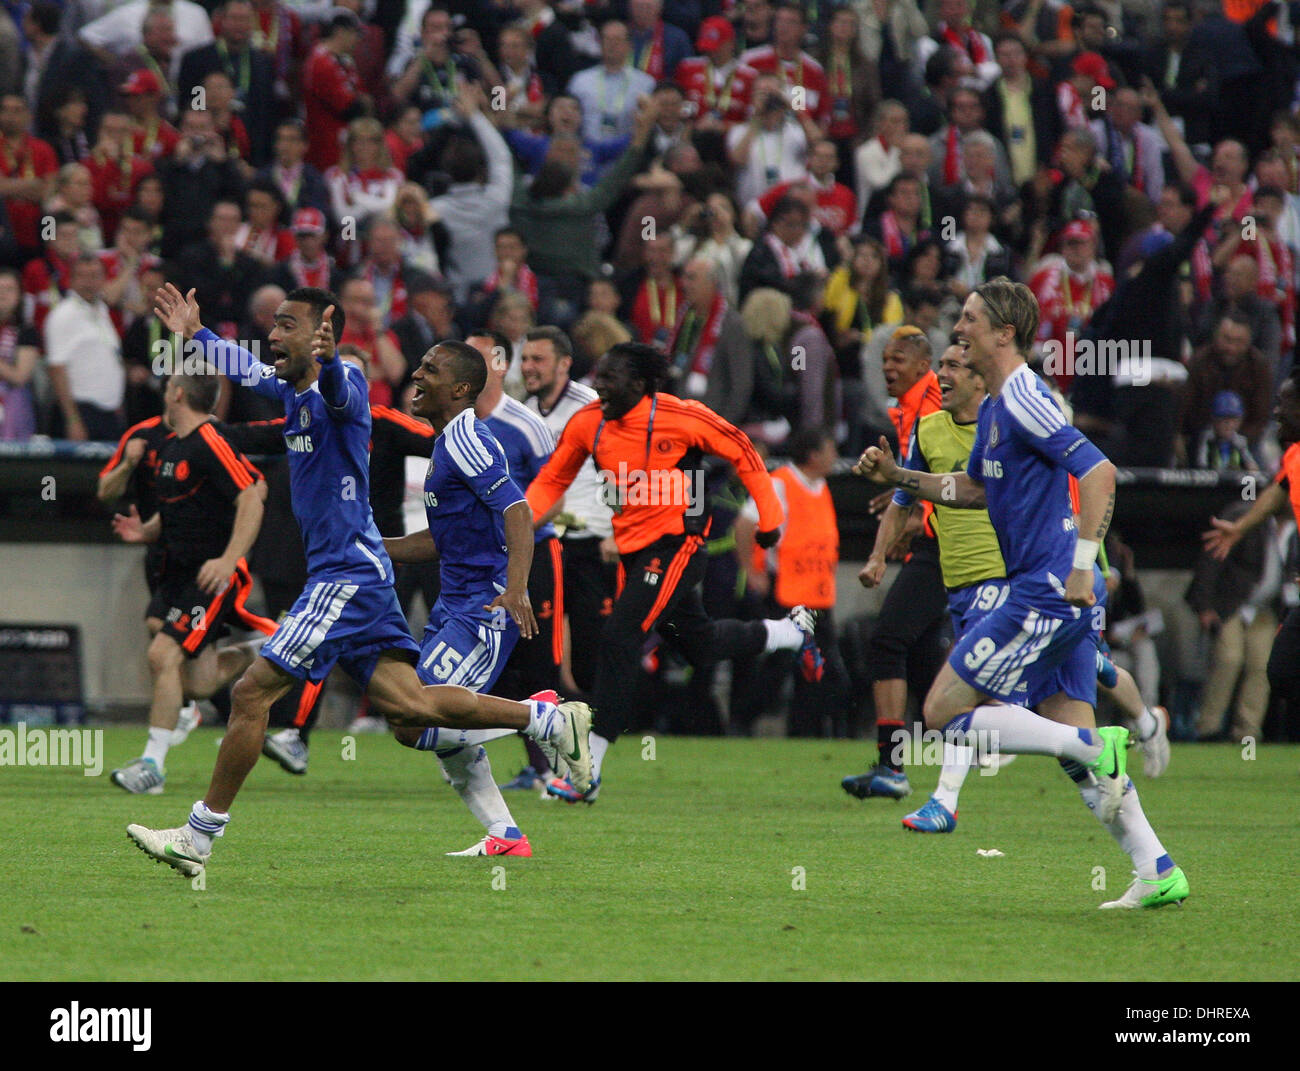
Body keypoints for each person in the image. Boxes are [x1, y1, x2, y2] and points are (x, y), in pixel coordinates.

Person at [124, 283, 594, 876]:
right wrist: (197, 334)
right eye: (272, 325)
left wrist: (327, 359)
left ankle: (199, 835)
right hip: (359, 574)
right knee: (410, 712)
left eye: (286, 325)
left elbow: (342, 388)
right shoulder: (292, 393)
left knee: (251, 694)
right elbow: (247, 370)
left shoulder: (335, 385)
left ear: (320, 333)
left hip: (343, 577)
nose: (272, 335)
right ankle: (544, 723)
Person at [855, 278, 1188, 909]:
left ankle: (1097, 745)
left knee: (942, 713)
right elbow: (974, 491)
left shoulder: (1026, 398)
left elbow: (1098, 470)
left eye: (972, 321)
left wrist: (1085, 566)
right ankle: (1157, 868)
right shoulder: (998, 410)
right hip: (1049, 590)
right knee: (1074, 748)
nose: (959, 331)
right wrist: (900, 477)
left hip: (1046, 588)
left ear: (1004, 334)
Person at [525, 342, 820, 802]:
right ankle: (789, 633)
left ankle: (588, 772)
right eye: (598, 375)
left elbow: (743, 450)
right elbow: (551, 481)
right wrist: (519, 521)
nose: (598, 384)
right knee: (699, 645)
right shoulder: (587, 424)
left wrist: (770, 520)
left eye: (610, 376)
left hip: (678, 543)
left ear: (640, 384)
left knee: (620, 634)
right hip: (633, 551)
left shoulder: (683, 417)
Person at [381, 337, 544, 857]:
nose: (417, 374)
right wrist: (370, 548)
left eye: (430, 368)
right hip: (455, 602)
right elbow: (439, 540)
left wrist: (515, 587)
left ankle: (545, 720)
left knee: (412, 716)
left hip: (483, 605)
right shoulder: (446, 441)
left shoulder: (466, 438)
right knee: (421, 717)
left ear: (461, 388)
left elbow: (518, 511)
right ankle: (506, 835)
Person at [107, 371, 276, 795]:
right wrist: (143, 532)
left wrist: (229, 558)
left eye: (168, 387)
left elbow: (252, 495)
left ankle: (152, 767)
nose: (164, 393)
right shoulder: (172, 445)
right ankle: (271, 647)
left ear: (178, 394)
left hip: (210, 574)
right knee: (198, 682)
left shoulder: (211, 441)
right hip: (177, 571)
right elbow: (178, 507)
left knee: (162, 654)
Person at [841, 325, 944, 800]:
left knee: (886, 643)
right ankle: (971, 744)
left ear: (924, 366)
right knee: (921, 657)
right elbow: (922, 477)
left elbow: (942, 472)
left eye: (898, 359)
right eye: (885, 359)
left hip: (949, 545)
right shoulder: (909, 410)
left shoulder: (931, 405)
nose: (888, 367)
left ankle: (892, 766)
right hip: (938, 540)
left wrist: (910, 519)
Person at [1204, 374, 1300, 742]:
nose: (1276, 411)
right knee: (1282, 670)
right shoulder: (1293, 455)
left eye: (1285, 403)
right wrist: (1240, 527)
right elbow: (1279, 491)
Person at [734, 426, 846, 736]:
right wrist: (752, 571)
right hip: (786, 592)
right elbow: (744, 525)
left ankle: (804, 730)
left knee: (817, 667)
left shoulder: (820, 486)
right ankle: (742, 720)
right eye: (829, 450)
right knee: (779, 665)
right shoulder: (780, 483)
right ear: (812, 455)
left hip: (817, 593)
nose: (835, 457)